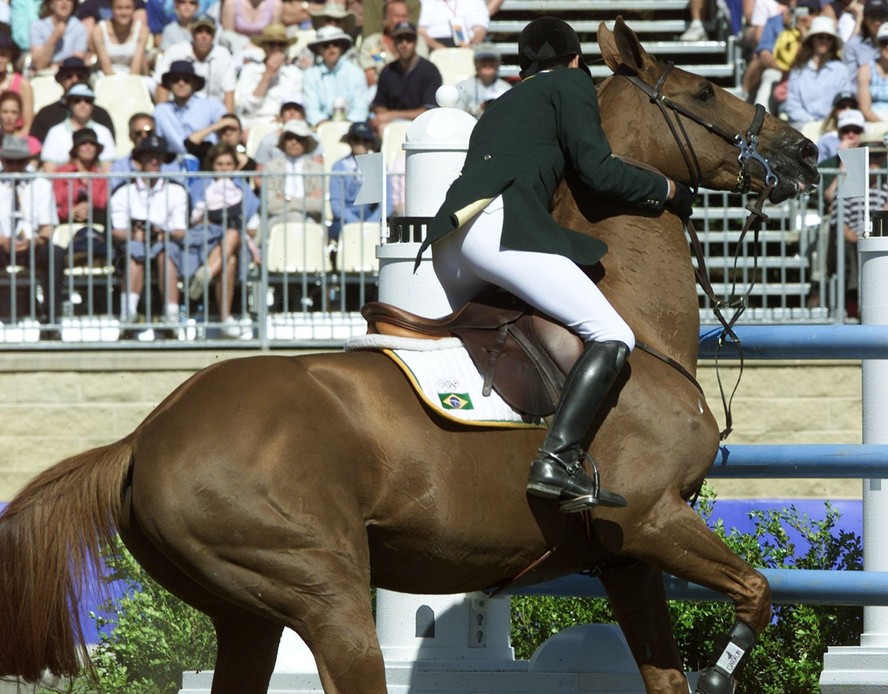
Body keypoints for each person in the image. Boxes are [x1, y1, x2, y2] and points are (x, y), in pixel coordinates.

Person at [417, 17, 693, 512]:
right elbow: (598, 169)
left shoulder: (503, 102)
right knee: (613, 334)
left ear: (525, 68)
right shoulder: (571, 84)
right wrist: (666, 189)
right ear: (575, 60)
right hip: (498, 230)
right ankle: (557, 459)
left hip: (450, 243)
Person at [109, 133, 189, 333]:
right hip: (132, 245)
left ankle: (171, 315)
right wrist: (135, 235)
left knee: (166, 251)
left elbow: (179, 232)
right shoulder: (123, 190)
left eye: (158, 156)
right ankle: (129, 314)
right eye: (148, 155)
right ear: (139, 160)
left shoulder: (176, 190)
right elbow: (117, 231)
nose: (154, 160)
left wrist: (161, 234)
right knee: (135, 251)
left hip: (165, 243)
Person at [187, 142, 261, 337]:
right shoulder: (201, 186)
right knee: (230, 261)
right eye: (220, 164)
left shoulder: (243, 187)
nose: (224, 168)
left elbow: (252, 226)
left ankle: (207, 273)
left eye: (229, 164)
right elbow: (195, 219)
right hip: (206, 239)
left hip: (238, 241)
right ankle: (225, 319)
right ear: (212, 165)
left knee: (234, 234)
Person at [0, 135, 64, 333]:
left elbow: (47, 227)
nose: (15, 166)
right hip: (1, 244)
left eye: (19, 161)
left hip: (31, 245)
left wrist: (33, 242)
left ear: (27, 161)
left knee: (55, 253)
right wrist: (2, 241)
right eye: (10, 161)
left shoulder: (41, 184)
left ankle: (51, 319)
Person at [370, 21, 442, 134]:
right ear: (394, 43)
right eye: (400, 39)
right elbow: (379, 105)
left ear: (416, 42)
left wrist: (391, 115)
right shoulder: (387, 71)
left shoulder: (429, 70)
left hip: (423, 126)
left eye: (409, 39)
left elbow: (429, 111)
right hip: (393, 124)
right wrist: (385, 116)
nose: (404, 43)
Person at [154, 14, 235, 109]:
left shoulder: (223, 55)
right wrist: (164, 114)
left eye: (208, 32)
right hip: (178, 108)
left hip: (212, 111)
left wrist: (228, 120)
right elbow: (161, 84)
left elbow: (229, 91)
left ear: (214, 35)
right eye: (199, 31)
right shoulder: (175, 51)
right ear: (192, 33)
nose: (204, 36)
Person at [52, 127, 109, 259]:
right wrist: (71, 212)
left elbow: (102, 201)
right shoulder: (61, 173)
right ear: (76, 148)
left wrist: (89, 207)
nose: (88, 147)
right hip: (65, 223)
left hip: (94, 221)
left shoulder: (101, 176)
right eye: (83, 143)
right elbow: (56, 200)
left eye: (92, 144)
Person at [29, 57, 115, 143]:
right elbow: (35, 146)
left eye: (80, 76)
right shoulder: (46, 114)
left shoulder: (101, 115)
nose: (74, 80)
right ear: (60, 80)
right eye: (68, 76)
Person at [783, 15, 850, 126]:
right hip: (803, 125)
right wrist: (812, 122)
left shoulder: (840, 70)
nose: (824, 41)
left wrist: (828, 123)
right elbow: (792, 105)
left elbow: (844, 102)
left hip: (833, 126)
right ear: (812, 40)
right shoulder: (798, 70)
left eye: (828, 38)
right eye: (820, 37)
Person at [234, 23, 304, 128]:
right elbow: (249, 106)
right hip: (254, 122)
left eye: (281, 45)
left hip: (285, 124)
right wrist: (267, 74)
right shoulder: (250, 70)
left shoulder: (295, 73)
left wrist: (283, 118)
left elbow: (296, 104)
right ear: (264, 46)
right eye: (272, 44)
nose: (276, 48)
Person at [154, 60, 228, 157]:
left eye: (186, 80)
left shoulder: (213, 107)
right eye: (176, 80)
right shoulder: (160, 111)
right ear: (169, 84)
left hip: (207, 162)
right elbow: (158, 142)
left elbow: (230, 129)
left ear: (194, 84)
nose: (181, 83)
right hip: (174, 166)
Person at [303, 25, 369, 126]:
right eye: (326, 45)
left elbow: (361, 108)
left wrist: (348, 124)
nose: (331, 49)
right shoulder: (310, 75)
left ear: (342, 47)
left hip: (352, 126)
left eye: (335, 44)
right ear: (319, 50)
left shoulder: (356, 72)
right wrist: (326, 125)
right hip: (321, 127)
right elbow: (311, 109)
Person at [41, 83, 117, 171]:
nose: (83, 104)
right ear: (70, 104)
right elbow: (49, 169)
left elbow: (107, 170)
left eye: (88, 100)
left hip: (96, 184)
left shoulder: (104, 132)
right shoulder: (55, 132)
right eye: (77, 100)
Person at [263, 119, 324, 225]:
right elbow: (269, 205)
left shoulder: (317, 169)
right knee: (295, 218)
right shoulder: (271, 167)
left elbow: (318, 205)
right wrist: (306, 199)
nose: (294, 142)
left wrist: (287, 199)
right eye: (289, 137)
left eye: (299, 138)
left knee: (297, 219)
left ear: (306, 142)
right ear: (283, 141)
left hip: (310, 221)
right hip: (277, 221)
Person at [359, 0, 429, 89]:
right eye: (397, 16)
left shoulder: (419, 42)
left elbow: (421, 72)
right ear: (384, 20)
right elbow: (370, 79)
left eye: (405, 16)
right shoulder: (371, 43)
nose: (401, 21)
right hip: (381, 93)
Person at [329, 121, 380, 240]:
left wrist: (370, 223)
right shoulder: (339, 166)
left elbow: (387, 204)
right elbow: (336, 204)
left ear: (371, 143)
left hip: (372, 218)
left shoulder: (379, 165)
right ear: (350, 141)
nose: (360, 144)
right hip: (345, 220)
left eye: (365, 140)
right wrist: (355, 222)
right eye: (356, 139)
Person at [91, 0, 149, 76]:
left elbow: (136, 70)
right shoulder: (99, 31)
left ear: (134, 8)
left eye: (128, 8)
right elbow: (106, 69)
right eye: (119, 8)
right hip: (105, 77)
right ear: (111, 8)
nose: (123, 12)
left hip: (133, 77)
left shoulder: (142, 31)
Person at [29, 0, 89, 71]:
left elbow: (76, 61)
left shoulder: (79, 27)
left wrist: (57, 66)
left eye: (69, 0)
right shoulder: (37, 26)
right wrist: (55, 36)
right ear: (51, 4)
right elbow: (39, 65)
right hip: (43, 74)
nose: (64, 2)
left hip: (67, 74)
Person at [455, 42, 510, 117]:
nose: (487, 64)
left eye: (491, 60)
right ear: (475, 63)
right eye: (483, 60)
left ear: (498, 63)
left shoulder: (507, 89)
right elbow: (457, 116)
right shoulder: (462, 88)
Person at [843, 0, 888, 81]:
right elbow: (850, 81)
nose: (877, 20)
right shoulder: (853, 46)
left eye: (881, 15)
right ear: (865, 19)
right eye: (872, 15)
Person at [252, 99, 307, 165]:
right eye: (287, 110)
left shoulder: (314, 139)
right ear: (281, 117)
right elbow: (259, 169)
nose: (292, 113)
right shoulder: (268, 140)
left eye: (296, 110)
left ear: (303, 117)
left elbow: (318, 168)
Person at [0, 28, 33, 134]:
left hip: (14, 142)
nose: (0, 59)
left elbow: (27, 126)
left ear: (10, 57)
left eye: (3, 55)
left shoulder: (23, 84)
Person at [418, 0, 488, 49]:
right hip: (434, 45)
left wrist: (470, 47)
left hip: (467, 44)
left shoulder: (475, 1)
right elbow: (421, 31)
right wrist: (439, 48)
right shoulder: (425, 2)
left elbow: (480, 30)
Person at [817, 90, 861, 160]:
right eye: (842, 107)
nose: (848, 110)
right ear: (834, 111)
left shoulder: (866, 136)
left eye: (852, 107)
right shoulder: (825, 141)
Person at [857, 22, 888, 119]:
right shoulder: (866, 70)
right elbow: (865, 109)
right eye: (884, 43)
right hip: (874, 124)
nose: (887, 47)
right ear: (878, 44)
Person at [0, 91, 40, 159]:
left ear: (19, 114)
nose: (9, 117)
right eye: (5, 112)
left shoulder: (31, 144)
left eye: (14, 112)